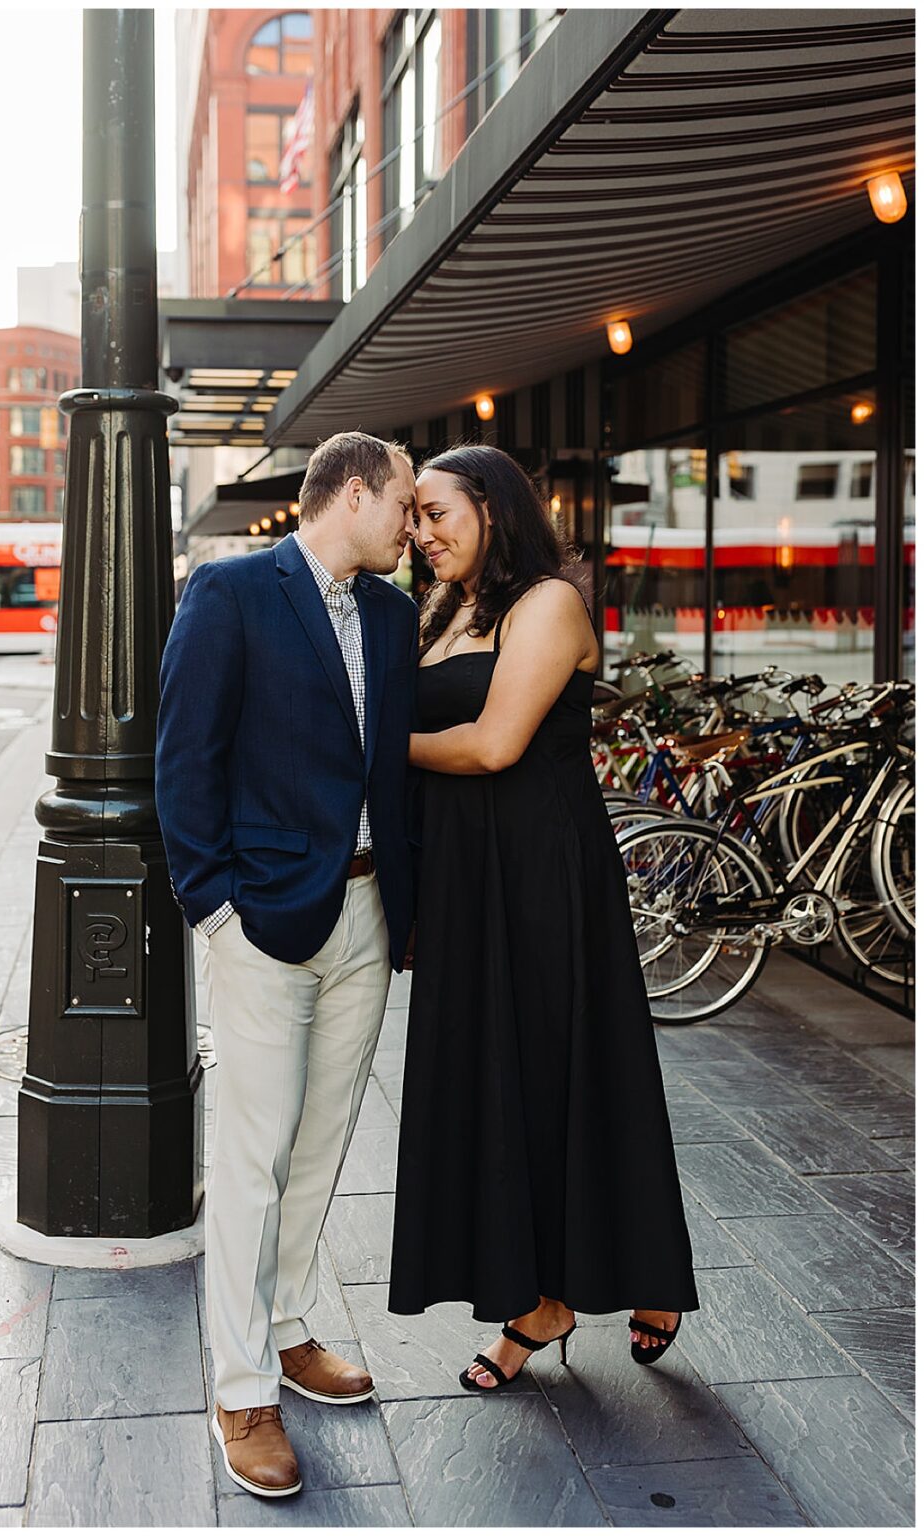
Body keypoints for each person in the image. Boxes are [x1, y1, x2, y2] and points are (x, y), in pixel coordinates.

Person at [388, 444, 700, 1391]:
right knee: (493, 1082)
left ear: (494, 507)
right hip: (468, 881)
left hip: (543, 875)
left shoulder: (550, 603)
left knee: (575, 1073)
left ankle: (646, 1274)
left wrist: (367, 748)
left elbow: (491, 746)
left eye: (437, 512)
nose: (421, 532)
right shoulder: (443, 607)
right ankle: (535, 1305)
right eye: (414, 516)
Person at [156, 432, 419, 1497]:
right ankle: (240, 1388)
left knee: (320, 1147)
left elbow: (390, 769)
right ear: (352, 494)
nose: (411, 525)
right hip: (262, 921)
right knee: (254, 1158)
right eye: (404, 504)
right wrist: (212, 910)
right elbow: (184, 758)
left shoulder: (397, 618)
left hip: (366, 917)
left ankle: (290, 1326)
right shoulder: (230, 594)